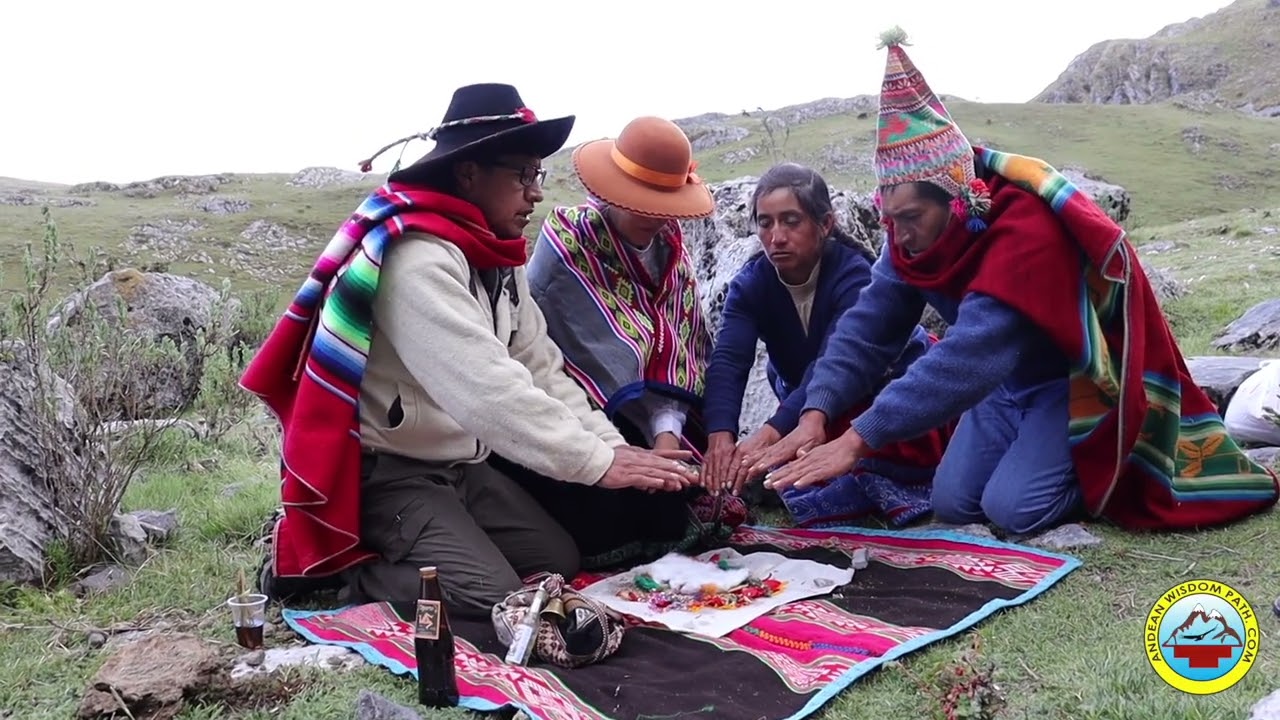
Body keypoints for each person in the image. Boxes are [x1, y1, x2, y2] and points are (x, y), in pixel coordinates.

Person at [747, 29, 1279, 536]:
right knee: (954, 504)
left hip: (1071, 383)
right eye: (890, 218)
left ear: (959, 200)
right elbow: (867, 329)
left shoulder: (1025, 230)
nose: (899, 234)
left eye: (910, 217)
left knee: (1015, 509)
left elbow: (973, 352)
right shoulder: (906, 236)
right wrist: (816, 413)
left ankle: (1100, 471)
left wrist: (858, 439)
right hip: (1002, 388)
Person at [239, 84, 697, 617]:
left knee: (556, 558)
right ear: (468, 174)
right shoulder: (415, 259)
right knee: (488, 595)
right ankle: (346, 570)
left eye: (538, 174)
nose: (536, 193)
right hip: (390, 472)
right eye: (522, 175)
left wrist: (611, 446)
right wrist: (597, 463)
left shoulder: (495, 257)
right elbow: (485, 387)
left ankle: (432, 542)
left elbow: (539, 366)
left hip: (460, 465)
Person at [519, 116, 745, 570]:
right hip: (565, 411)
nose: (654, 216)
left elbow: (675, 353)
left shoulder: (671, 251)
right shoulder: (569, 243)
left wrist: (665, 439)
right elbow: (565, 353)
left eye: (664, 204)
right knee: (604, 519)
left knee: (667, 506)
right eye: (643, 202)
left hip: (646, 419)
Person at [701, 162, 951, 528]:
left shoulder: (855, 274)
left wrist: (772, 431)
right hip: (809, 404)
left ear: (826, 224)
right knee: (794, 448)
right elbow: (729, 360)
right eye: (765, 223)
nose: (776, 236)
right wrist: (720, 437)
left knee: (857, 442)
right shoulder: (751, 285)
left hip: (880, 385)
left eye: (791, 221)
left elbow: (833, 361)